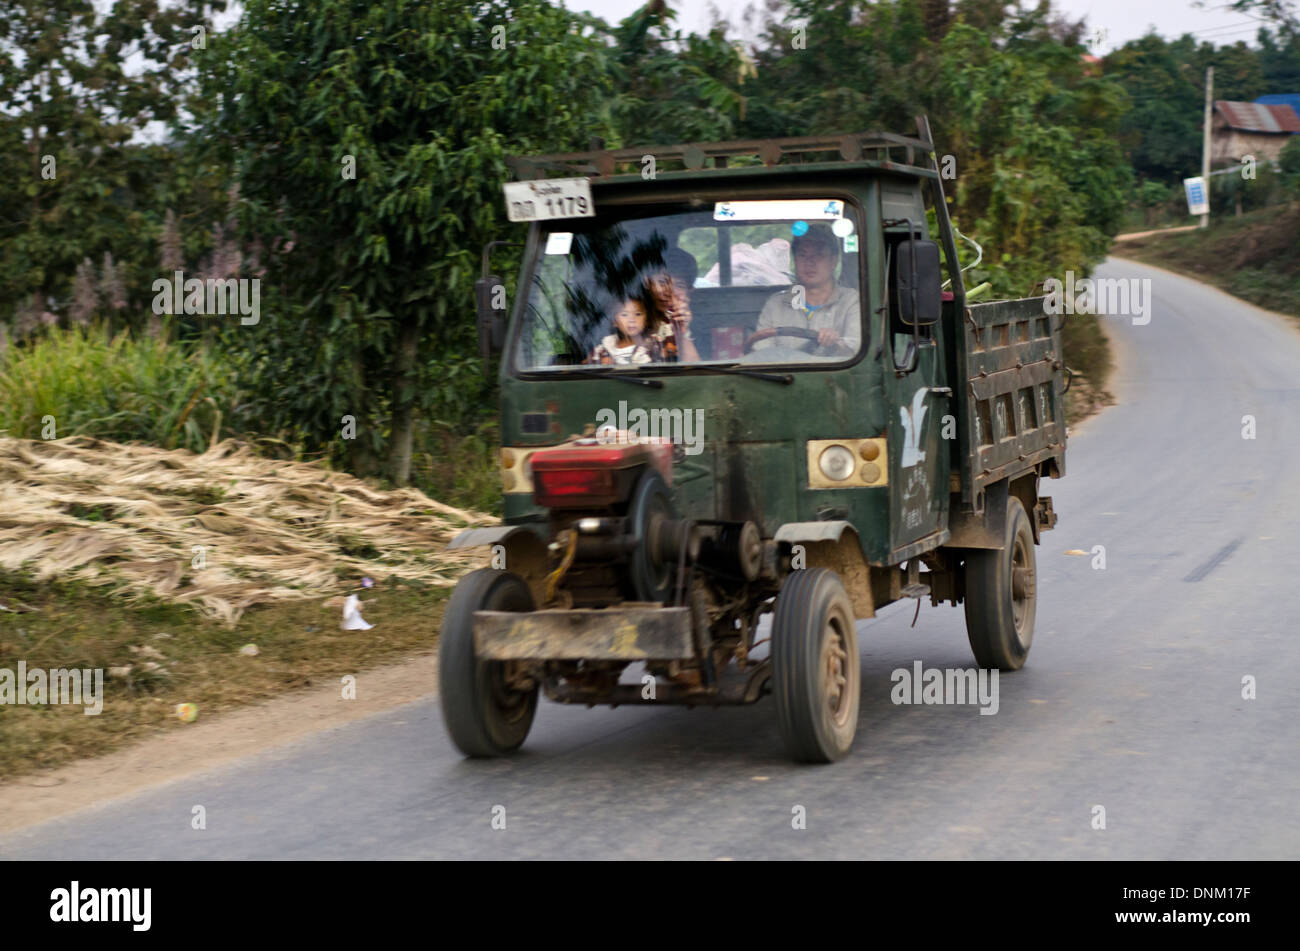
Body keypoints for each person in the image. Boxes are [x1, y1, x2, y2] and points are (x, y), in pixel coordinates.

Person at [752, 223, 860, 358]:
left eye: (818, 255)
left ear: (833, 261)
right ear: (795, 260)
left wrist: (836, 344)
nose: (810, 262)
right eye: (803, 255)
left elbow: (858, 349)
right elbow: (762, 354)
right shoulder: (775, 305)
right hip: (785, 378)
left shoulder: (851, 301)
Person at [642, 248, 701, 363]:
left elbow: (696, 372)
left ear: (690, 291)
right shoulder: (629, 316)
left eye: (679, 285)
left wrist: (681, 330)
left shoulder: (698, 325)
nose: (668, 292)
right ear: (647, 283)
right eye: (662, 282)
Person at [587, 296, 661, 365]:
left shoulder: (651, 346)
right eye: (624, 315)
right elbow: (586, 364)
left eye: (638, 314)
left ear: (646, 321)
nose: (632, 319)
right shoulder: (607, 345)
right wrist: (599, 361)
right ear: (614, 322)